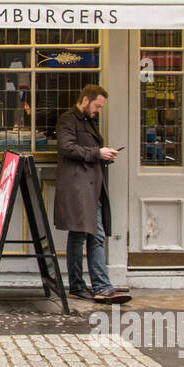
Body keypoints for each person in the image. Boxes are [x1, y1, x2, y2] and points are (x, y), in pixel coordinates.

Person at [54, 84, 131, 304]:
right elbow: (66, 147)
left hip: (90, 186)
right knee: (90, 235)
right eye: (97, 106)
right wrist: (98, 152)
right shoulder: (68, 120)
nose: (98, 110)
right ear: (86, 100)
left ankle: (82, 286)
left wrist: (103, 155)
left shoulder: (87, 120)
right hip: (79, 187)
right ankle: (100, 287)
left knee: (83, 236)